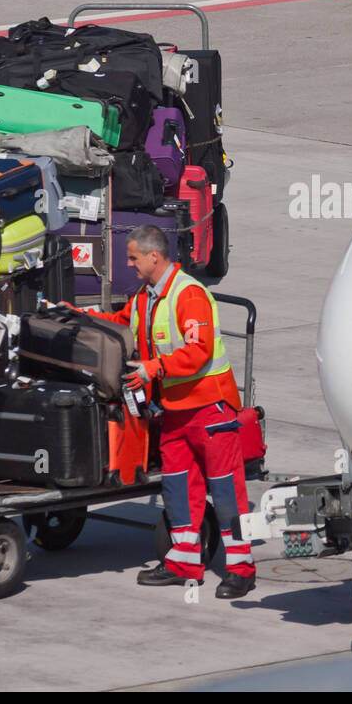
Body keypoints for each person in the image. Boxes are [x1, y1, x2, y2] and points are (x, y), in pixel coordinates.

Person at [75, 225, 256, 599]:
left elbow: (198, 351)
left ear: (154, 256)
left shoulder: (189, 294)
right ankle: (183, 562)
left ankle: (241, 568)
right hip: (176, 412)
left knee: (225, 492)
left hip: (210, 409)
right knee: (177, 488)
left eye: (133, 258)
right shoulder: (146, 297)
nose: (129, 264)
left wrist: (152, 369)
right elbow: (123, 322)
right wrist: (75, 315)